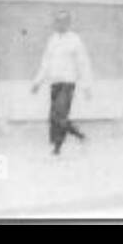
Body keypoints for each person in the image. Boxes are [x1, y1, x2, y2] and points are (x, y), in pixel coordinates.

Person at [30, 10, 93, 155]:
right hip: (55, 83)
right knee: (54, 117)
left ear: (68, 23)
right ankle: (60, 146)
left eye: (63, 21)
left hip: (68, 83)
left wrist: (86, 86)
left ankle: (76, 137)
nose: (59, 24)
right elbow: (45, 63)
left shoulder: (75, 40)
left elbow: (82, 64)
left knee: (60, 115)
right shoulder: (52, 40)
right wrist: (37, 82)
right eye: (57, 21)